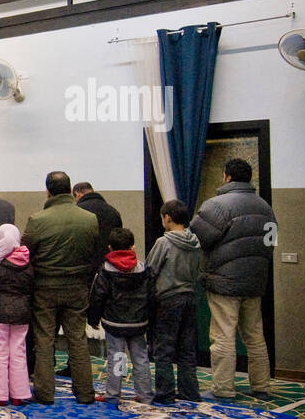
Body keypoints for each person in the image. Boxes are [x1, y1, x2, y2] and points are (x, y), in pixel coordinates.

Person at [190, 157, 275, 401]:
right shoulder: (265, 206)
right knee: (255, 337)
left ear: (226, 176)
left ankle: (224, 389)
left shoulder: (217, 205)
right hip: (256, 281)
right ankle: (261, 386)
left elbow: (198, 238)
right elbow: (271, 244)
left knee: (223, 335)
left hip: (224, 282)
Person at [23, 171, 99, 405]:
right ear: (69, 190)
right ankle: (85, 393)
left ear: (48, 191)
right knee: (78, 339)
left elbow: (26, 253)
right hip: (77, 287)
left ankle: (45, 393)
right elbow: (94, 253)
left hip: (45, 287)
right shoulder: (89, 219)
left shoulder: (38, 219)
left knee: (44, 341)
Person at [146, 199, 203, 405]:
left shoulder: (164, 242)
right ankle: (189, 391)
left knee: (164, 348)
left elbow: (151, 270)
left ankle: (165, 393)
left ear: (167, 218)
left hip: (168, 300)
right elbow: (198, 272)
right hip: (189, 297)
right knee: (187, 348)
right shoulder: (195, 242)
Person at [88, 227, 153, 405]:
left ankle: (113, 394)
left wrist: (93, 319)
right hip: (139, 322)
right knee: (140, 358)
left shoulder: (106, 270)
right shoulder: (143, 268)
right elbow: (151, 294)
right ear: (132, 247)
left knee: (117, 357)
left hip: (114, 322)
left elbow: (98, 296)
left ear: (110, 248)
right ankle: (145, 394)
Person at [0, 224, 34, 406]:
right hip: (22, 313)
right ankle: (20, 393)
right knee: (19, 351)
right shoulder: (28, 265)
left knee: (0, 353)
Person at [73, 181, 123, 273]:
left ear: (77, 194)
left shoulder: (77, 212)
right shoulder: (113, 211)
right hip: (110, 268)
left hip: (85, 269)